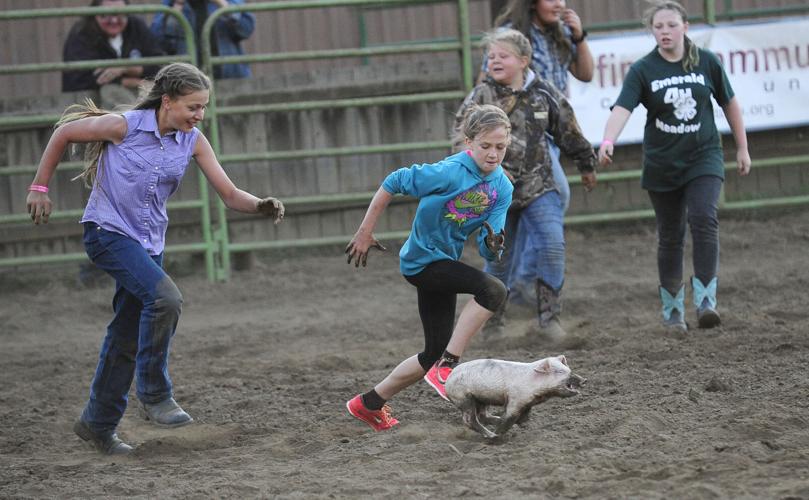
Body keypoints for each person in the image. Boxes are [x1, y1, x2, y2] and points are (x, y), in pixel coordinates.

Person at [26, 62, 285, 455]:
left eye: (203, 108)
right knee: (165, 299)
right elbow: (64, 133)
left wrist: (261, 205)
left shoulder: (192, 140)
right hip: (108, 232)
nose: (200, 116)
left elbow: (229, 194)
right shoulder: (124, 126)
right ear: (167, 101)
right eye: (193, 107)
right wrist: (39, 187)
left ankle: (98, 423)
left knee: (126, 334)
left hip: (148, 243)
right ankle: (155, 394)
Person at [344, 104, 513, 431]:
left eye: (500, 147)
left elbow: (488, 242)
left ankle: (369, 403)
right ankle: (447, 366)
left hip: (443, 263)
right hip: (422, 262)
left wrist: (494, 243)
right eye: (485, 146)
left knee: (432, 350)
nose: (493, 155)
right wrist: (365, 231)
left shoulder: (502, 189)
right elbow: (394, 181)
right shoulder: (450, 172)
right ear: (469, 143)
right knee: (493, 290)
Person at [597, 1, 751, 333]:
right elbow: (622, 108)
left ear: (685, 26)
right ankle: (672, 311)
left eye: (671, 25)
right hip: (662, 163)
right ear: (651, 30)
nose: (665, 32)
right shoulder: (643, 69)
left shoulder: (706, 62)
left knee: (703, 218)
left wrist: (742, 147)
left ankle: (707, 301)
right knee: (670, 235)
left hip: (703, 156)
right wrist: (608, 141)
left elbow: (729, 103)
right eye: (658, 27)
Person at [460, 28, 597, 341]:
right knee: (497, 258)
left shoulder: (543, 92)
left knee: (551, 244)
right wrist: (478, 172)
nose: (494, 60)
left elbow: (567, 127)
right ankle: (493, 322)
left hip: (540, 185)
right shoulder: (481, 97)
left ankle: (549, 319)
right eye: (490, 56)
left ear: (523, 60)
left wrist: (586, 163)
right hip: (495, 193)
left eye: (502, 56)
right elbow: (461, 138)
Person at [485, 0, 595, 213]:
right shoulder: (510, 34)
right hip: (523, 126)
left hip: (552, 125)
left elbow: (585, 73)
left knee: (537, 195)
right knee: (557, 192)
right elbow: (487, 77)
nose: (559, 4)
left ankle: (533, 240)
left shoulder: (560, 34)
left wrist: (579, 37)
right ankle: (545, 240)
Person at [63, 0, 165, 92]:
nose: (114, 20)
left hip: (140, 95)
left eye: (120, 14)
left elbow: (160, 66)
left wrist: (125, 67)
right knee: (110, 91)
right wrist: (132, 82)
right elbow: (81, 80)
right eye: (105, 15)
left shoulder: (136, 26)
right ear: (95, 14)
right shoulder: (82, 33)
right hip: (90, 102)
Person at [150, 0, 255, 79]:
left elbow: (246, 29)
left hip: (229, 77)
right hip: (188, 83)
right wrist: (177, 7)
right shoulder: (171, 2)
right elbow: (158, 41)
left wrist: (221, 3)